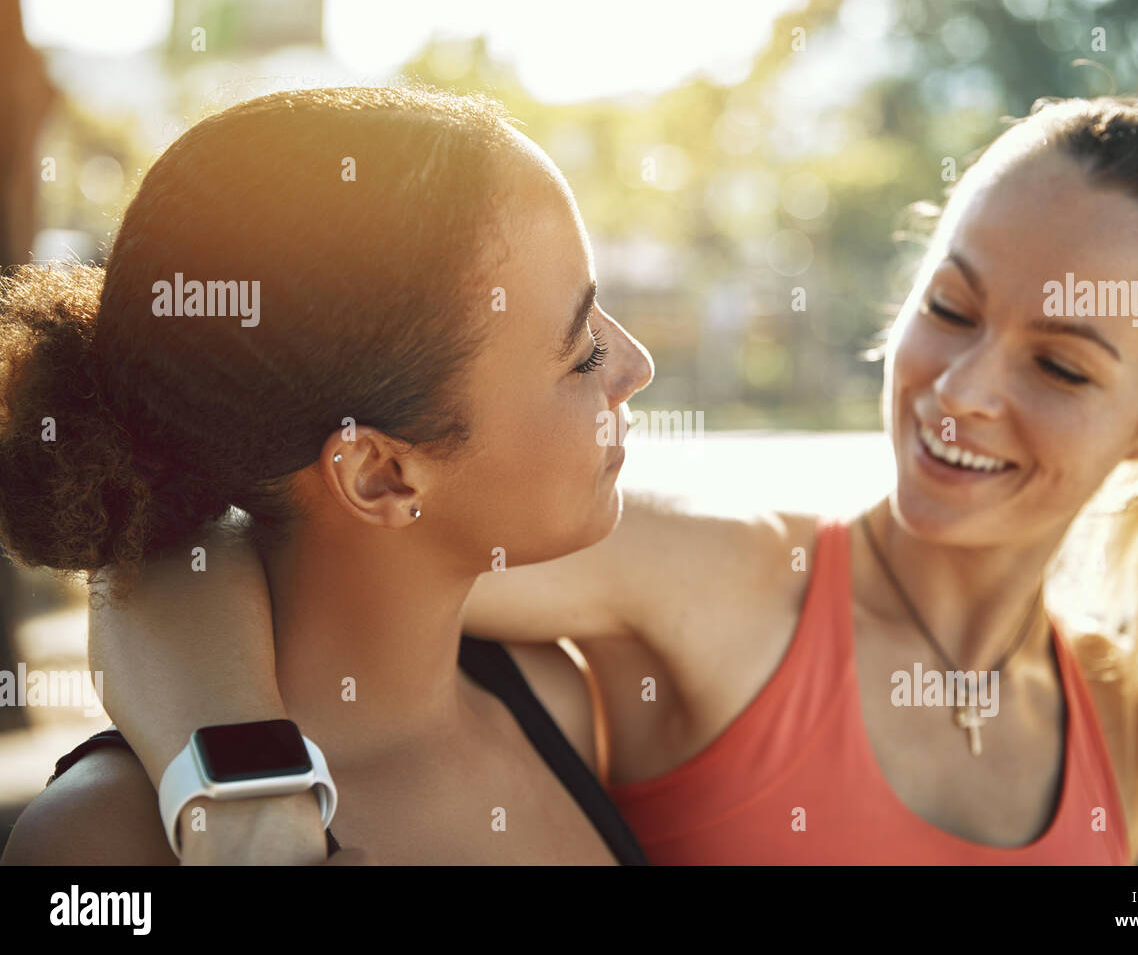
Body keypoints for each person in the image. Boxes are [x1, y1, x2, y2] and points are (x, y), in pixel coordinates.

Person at [26, 94, 1138, 865]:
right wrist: (243, 793)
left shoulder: (1130, 724)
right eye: (950, 305)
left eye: (1062, 365)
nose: (964, 388)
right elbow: (220, 532)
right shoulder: (728, 581)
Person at [0, 86, 656, 865]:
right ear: (380, 475)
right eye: (581, 350)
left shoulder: (562, 706)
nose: (636, 366)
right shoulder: (99, 846)